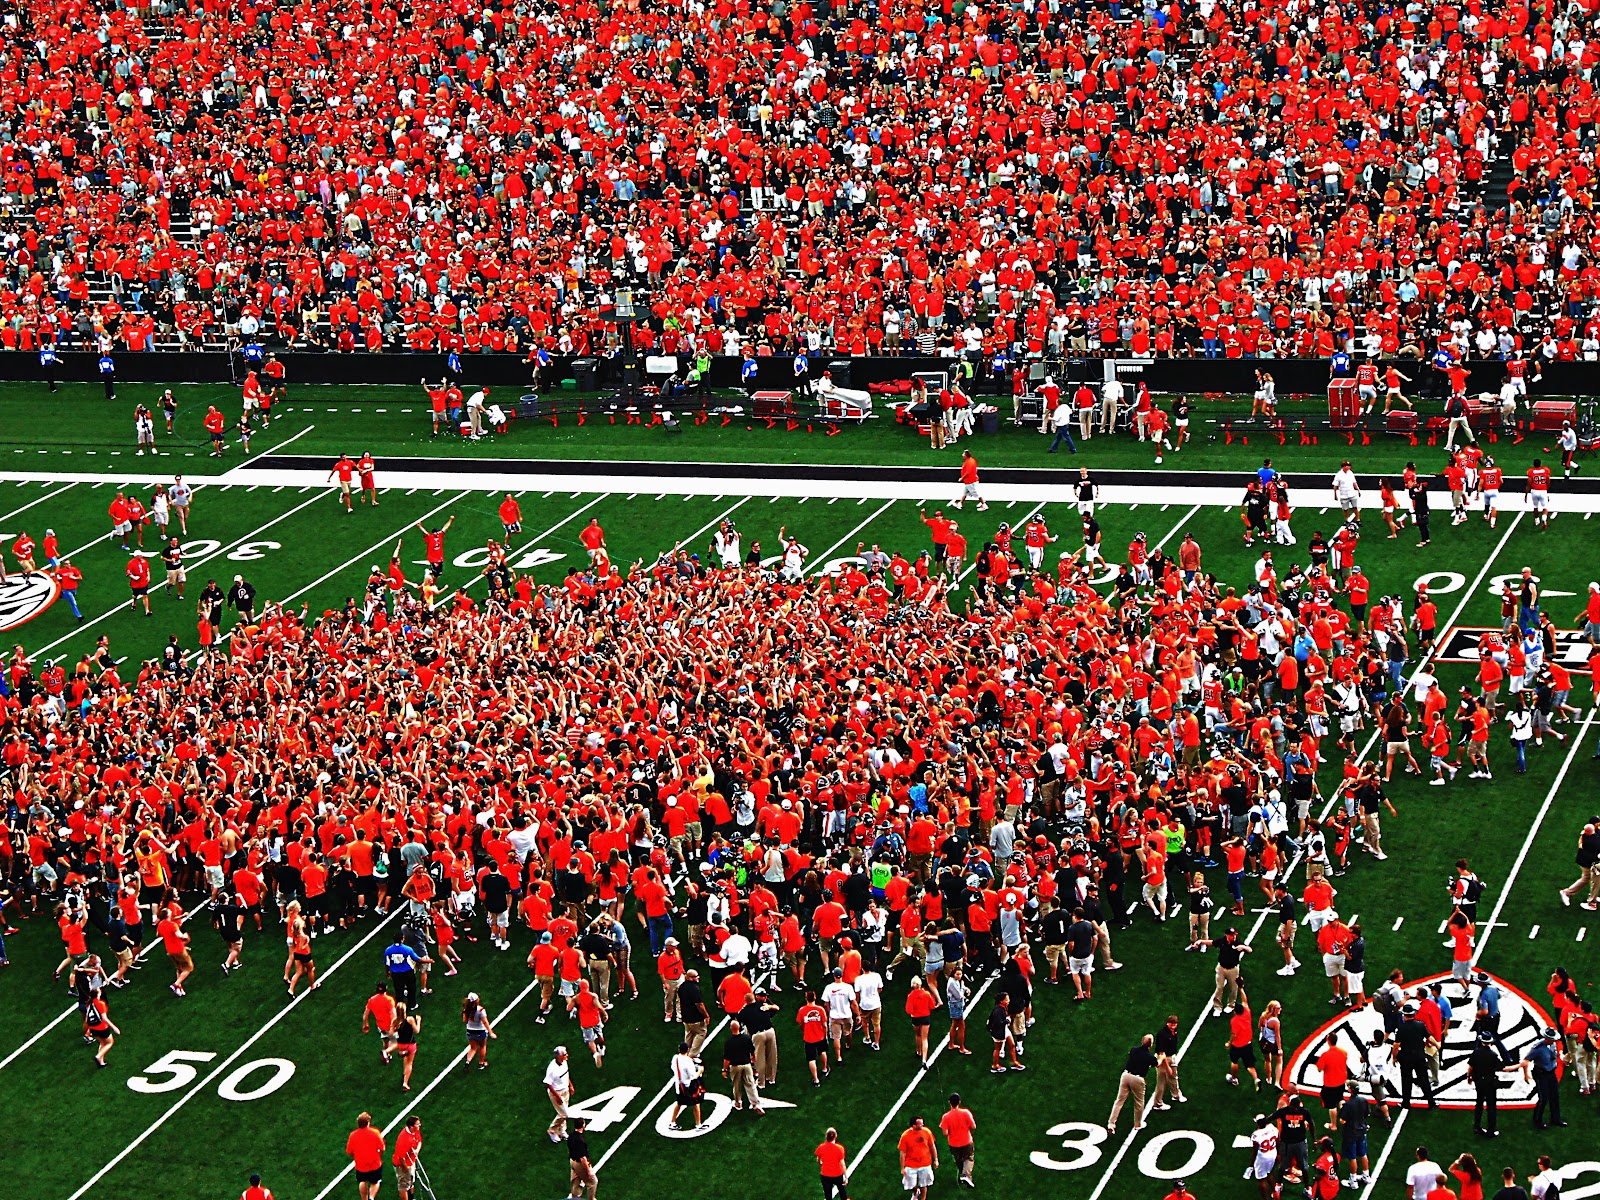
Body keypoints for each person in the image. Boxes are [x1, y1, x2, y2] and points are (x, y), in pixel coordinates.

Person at [1509, 1027, 1567, 1129]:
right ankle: (1537, 1120)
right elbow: (1526, 1061)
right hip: (1541, 1074)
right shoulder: (1537, 1049)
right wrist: (1526, 1075)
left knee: (1555, 1095)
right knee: (1543, 1098)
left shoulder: (1552, 1044)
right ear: (1546, 1038)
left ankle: (1556, 1119)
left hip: (1551, 1072)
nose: (1554, 1041)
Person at [1108, 1034, 1156, 1134]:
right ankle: (1138, 1124)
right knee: (1139, 1102)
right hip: (1138, 1079)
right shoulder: (1150, 1057)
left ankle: (1111, 1124)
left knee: (1119, 1101)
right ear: (1150, 1045)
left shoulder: (1134, 1050)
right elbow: (1156, 1064)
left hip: (1126, 1075)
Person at [722, 1019, 764, 1114]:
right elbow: (752, 1051)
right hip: (746, 1064)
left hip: (735, 1066)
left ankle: (738, 1103)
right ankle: (756, 1104)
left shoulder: (729, 1042)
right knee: (751, 1084)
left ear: (731, 1029)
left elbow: (727, 1058)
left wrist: (724, 1069)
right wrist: (753, 1060)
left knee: (736, 1086)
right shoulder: (746, 1038)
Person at [939, 1093, 977, 1189]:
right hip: (966, 1141)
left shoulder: (946, 1116)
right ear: (959, 1102)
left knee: (959, 1160)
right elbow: (973, 1126)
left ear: (949, 1103)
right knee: (969, 1158)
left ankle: (963, 1176)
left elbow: (945, 1133)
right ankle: (966, 1176)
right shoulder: (965, 1112)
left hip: (954, 1144)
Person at [345, 1113, 386, 1200]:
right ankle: (371, 1197)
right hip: (375, 1164)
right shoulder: (375, 1133)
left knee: (362, 1182)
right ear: (368, 1122)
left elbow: (349, 1151)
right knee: (375, 1182)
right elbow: (382, 1148)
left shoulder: (353, 1135)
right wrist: (378, 1155)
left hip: (360, 1165)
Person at [897, 1116, 938, 1200]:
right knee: (910, 1184)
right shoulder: (905, 1136)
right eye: (920, 1124)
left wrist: (936, 1159)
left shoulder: (927, 1132)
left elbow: (932, 1146)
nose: (922, 1125)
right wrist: (902, 1168)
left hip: (925, 1163)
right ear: (914, 1126)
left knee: (924, 1184)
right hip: (911, 1165)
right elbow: (902, 1152)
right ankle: (916, 1191)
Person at [669, 1041, 706, 1129]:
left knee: (679, 1103)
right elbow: (693, 1076)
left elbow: (673, 1068)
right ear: (688, 1050)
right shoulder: (688, 1061)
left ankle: (673, 1122)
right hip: (688, 1086)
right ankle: (698, 1124)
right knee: (696, 1103)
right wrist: (700, 1071)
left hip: (679, 1085)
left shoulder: (675, 1058)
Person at [545, 1046, 574, 1142]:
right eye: (565, 1054)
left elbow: (566, 1074)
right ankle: (552, 1130)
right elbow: (547, 1084)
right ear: (559, 1056)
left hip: (565, 1090)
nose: (567, 1055)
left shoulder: (564, 1062)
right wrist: (557, 1096)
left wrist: (570, 1085)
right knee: (564, 1114)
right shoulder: (552, 1069)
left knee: (562, 1112)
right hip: (557, 1092)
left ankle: (562, 1130)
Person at [462, 992, 496, 1069]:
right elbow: (485, 1022)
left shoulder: (466, 1009)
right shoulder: (481, 1010)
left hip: (470, 1031)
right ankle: (481, 1063)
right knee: (482, 1046)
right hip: (480, 1031)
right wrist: (491, 1032)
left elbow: (464, 1020)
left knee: (473, 1048)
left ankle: (468, 1061)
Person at [391, 1118, 422, 1200]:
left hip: (411, 1162)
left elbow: (419, 1141)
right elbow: (401, 1158)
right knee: (403, 1186)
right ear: (411, 1126)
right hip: (402, 1165)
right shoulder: (404, 1140)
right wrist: (406, 1168)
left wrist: (416, 1151)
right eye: (417, 1124)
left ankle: (411, 1198)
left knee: (411, 1182)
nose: (419, 1125)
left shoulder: (415, 1131)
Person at [567, 1118, 597, 1200]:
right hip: (580, 1164)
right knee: (593, 1183)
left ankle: (575, 1197)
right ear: (583, 1126)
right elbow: (583, 1158)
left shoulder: (571, 1136)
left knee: (576, 1181)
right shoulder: (580, 1140)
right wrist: (589, 1171)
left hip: (572, 1161)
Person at [816, 1128, 849, 1200]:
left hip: (825, 1175)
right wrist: (846, 1177)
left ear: (826, 1136)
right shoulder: (840, 1148)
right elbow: (842, 1164)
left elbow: (818, 1159)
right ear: (835, 1136)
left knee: (828, 1196)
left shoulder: (821, 1147)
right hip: (837, 1175)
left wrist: (820, 1163)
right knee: (842, 1192)